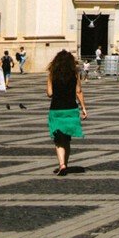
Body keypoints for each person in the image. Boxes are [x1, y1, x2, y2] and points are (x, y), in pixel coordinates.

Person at [45, 49, 88, 177]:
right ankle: (66, 165)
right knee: (67, 139)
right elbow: (79, 91)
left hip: (56, 109)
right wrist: (84, 108)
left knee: (58, 140)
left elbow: (50, 93)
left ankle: (62, 164)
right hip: (71, 109)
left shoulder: (52, 74)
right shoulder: (75, 74)